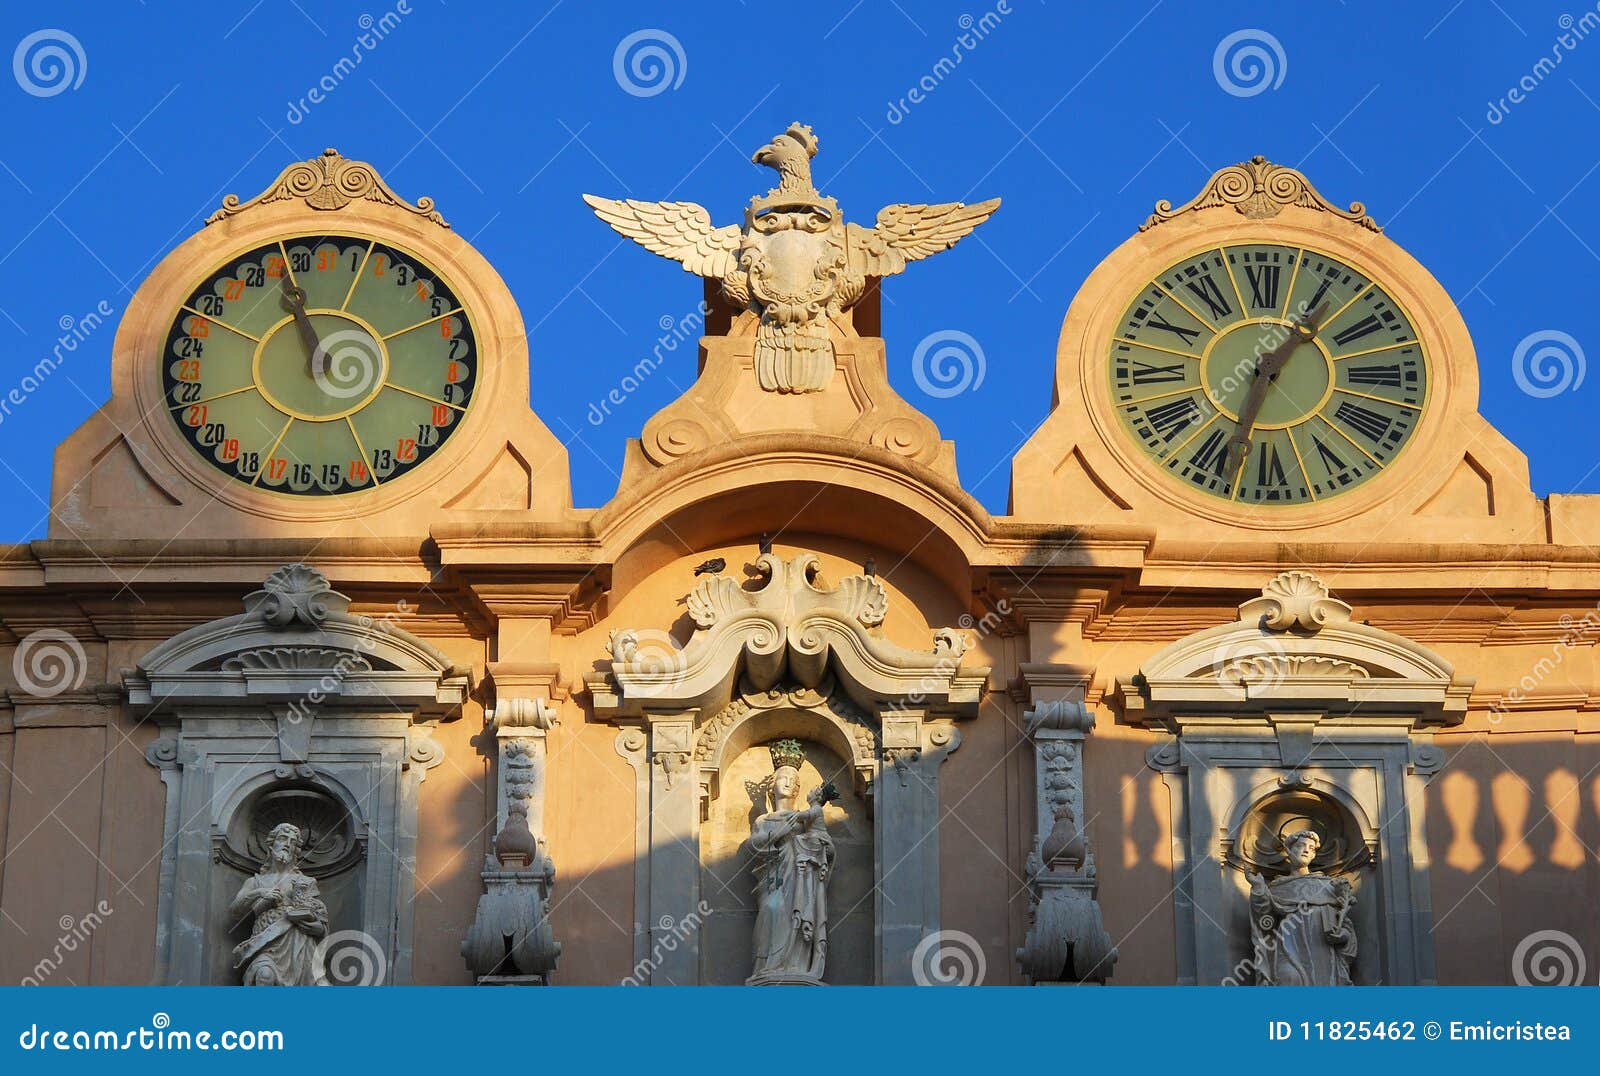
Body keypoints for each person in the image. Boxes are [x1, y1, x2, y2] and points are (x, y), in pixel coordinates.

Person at [747, 740, 836, 985]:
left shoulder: (803, 818)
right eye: (781, 777)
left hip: (801, 877)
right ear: (771, 787)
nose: (787, 782)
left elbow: (826, 845)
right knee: (770, 910)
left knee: (798, 915)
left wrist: (811, 844)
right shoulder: (764, 819)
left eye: (792, 779)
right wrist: (777, 834)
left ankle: (798, 965)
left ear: (798, 788)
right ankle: (767, 967)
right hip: (773, 877)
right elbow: (754, 845)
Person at [1246, 828, 1356, 986]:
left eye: (1311, 848)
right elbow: (1264, 920)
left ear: (1314, 855)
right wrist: (1258, 888)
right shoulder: (1277, 887)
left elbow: (1345, 925)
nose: (1306, 850)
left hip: (1322, 955)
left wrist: (1343, 935)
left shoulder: (1328, 886)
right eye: (1301, 845)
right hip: (1287, 951)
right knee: (1288, 979)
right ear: (1289, 851)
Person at [229, 822, 329, 985]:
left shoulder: (305, 882)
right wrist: (260, 893)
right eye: (283, 838)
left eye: (292, 842)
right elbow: (235, 911)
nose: (287, 844)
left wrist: (314, 926)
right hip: (266, 945)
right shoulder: (255, 882)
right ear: (271, 844)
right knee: (264, 975)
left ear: (296, 850)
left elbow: (321, 925)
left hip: (300, 945)